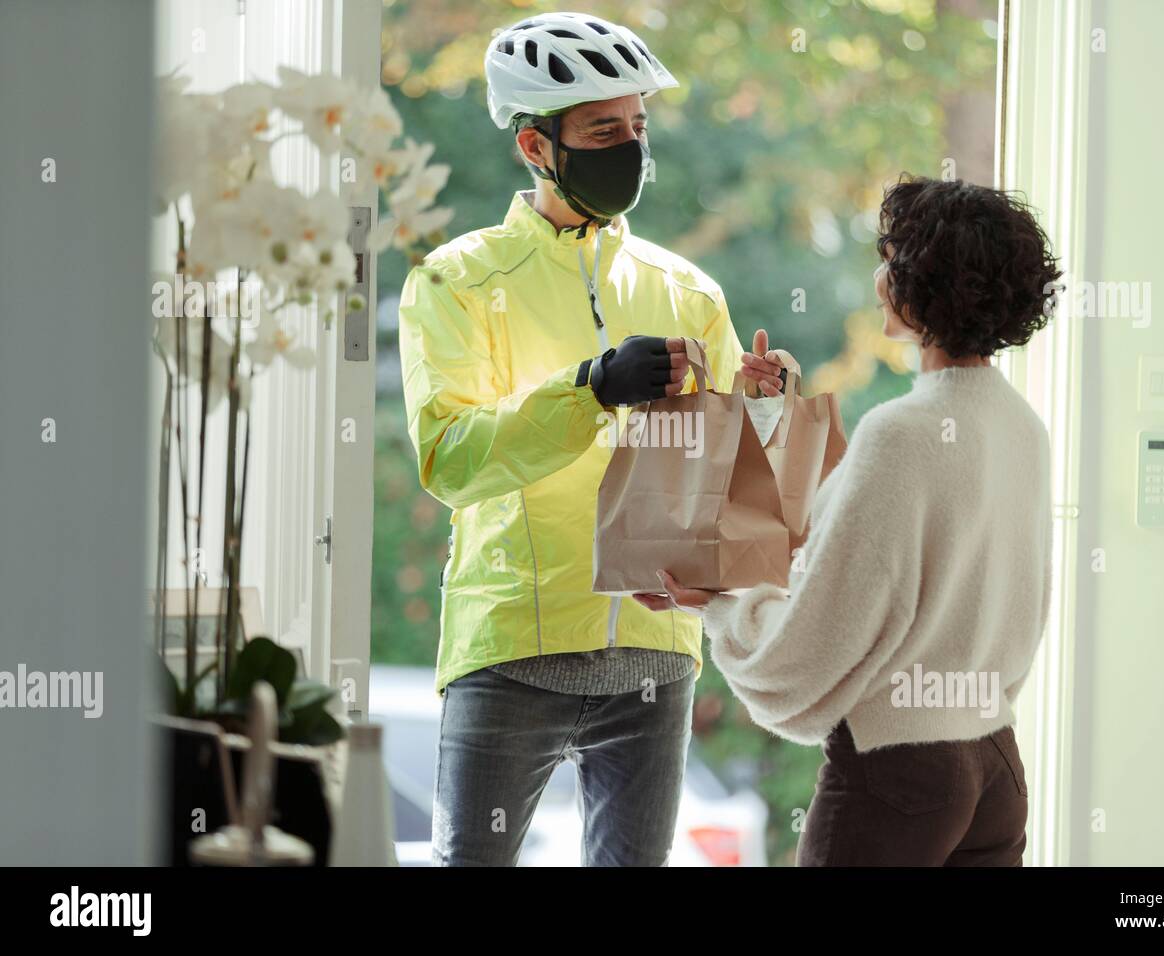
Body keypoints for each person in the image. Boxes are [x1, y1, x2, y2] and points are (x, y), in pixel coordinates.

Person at [398, 11, 789, 866]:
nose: (631, 149)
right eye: (604, 130)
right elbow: (450, 460)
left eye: (638, 127)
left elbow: (735, 501)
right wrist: (591, 389)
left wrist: (763, 414)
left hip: (656, 655)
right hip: (512, 645)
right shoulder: (455, 282)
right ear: (535, 147)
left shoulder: (689, 292)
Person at [635, 175, 1061, 866]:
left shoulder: (903, 431)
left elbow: (814, 641)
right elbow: (889, 536)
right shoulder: (1022, 427)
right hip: (994, 771)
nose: (878, 275)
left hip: (899, 775)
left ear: (924, 284)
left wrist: (720, 605)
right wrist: (791, 412)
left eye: (890, 257)